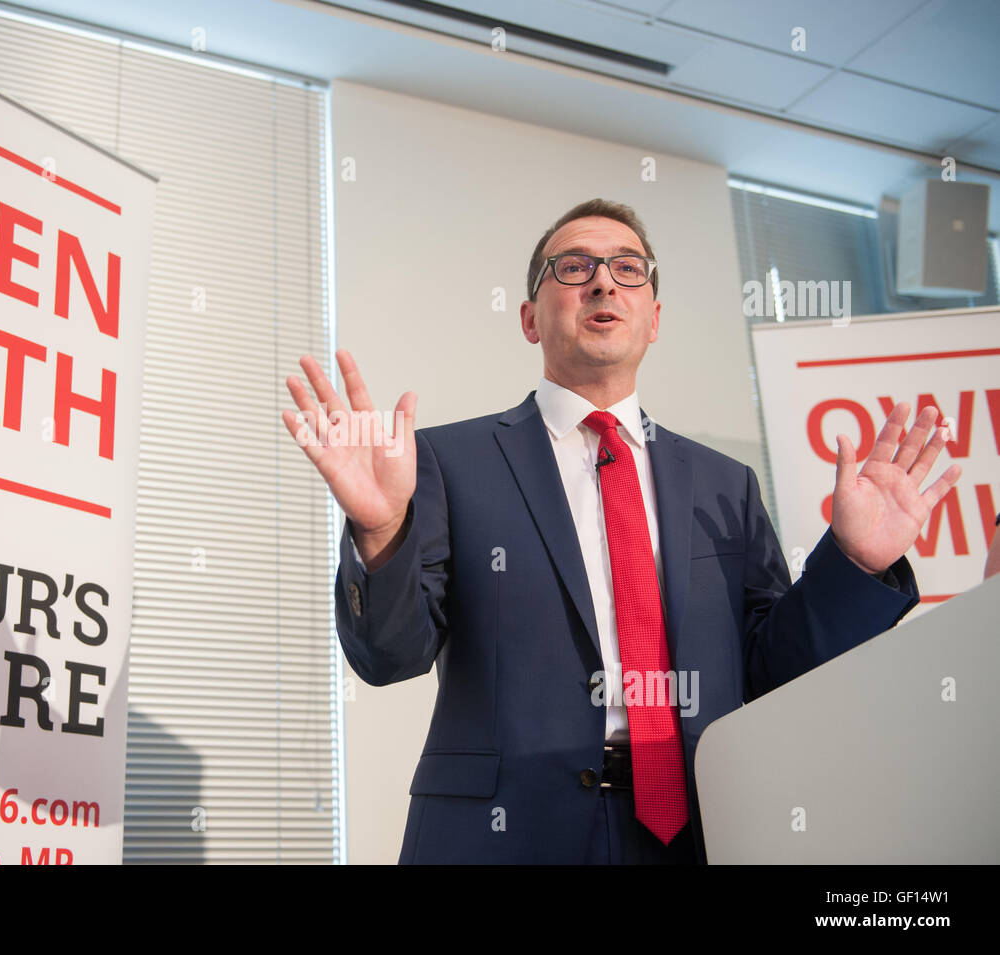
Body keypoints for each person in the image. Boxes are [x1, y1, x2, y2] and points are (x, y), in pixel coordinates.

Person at [282, 198, 962, 864]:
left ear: (655, 318)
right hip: (503, 835)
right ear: (529, 317)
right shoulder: (446, 461)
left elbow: (773, 676)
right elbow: (388, 657)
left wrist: (854, 562)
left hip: (692, 832)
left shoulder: (726, 485)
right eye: (573, 267)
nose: (604, 280)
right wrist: (380, 532)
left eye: (629, 268)